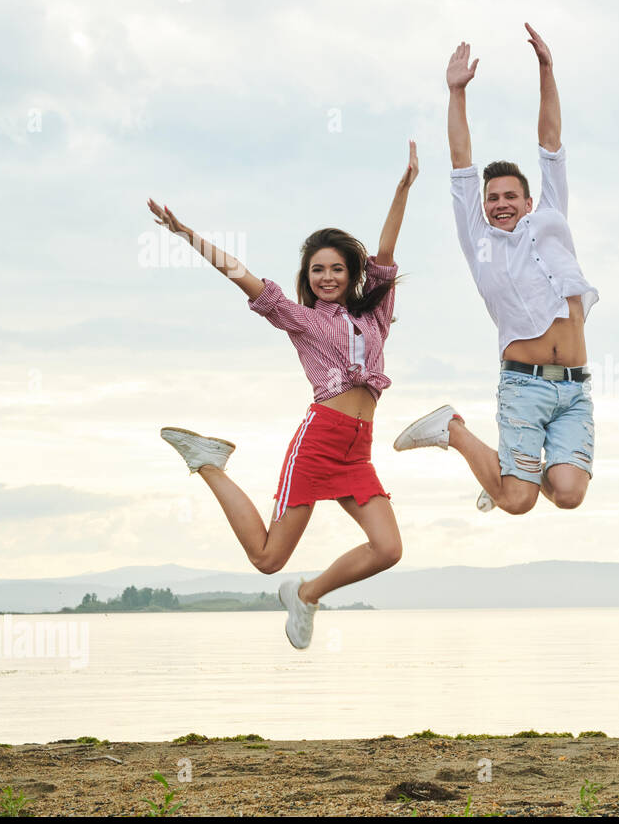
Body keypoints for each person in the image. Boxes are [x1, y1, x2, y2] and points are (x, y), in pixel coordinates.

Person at [148, 141, 417, 649]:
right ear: (307, 278)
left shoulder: (375, 314)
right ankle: (209, 463)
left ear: (350, 274)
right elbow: (245, 279)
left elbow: (385, 254)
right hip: (319, 443)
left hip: (358, 449)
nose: (327, 277)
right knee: (268, 558)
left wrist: (403, 189)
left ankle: (307, 594)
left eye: (336, 268)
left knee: (388, 548)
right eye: (318, 270)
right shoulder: (304, 320)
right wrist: (187, 236)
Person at [393, 24, 597, 517]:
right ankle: (455, 431)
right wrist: (456, 93)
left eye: (510, 196)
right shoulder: (479, 240)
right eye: (492, 198)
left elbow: (551, 140)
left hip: (574, 386)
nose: (501, 204)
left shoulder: (551, 217)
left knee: (568, 495)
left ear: (529, 200)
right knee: (519, 502)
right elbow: (461, 160)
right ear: (482, 206)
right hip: (524, 385)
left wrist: (547, 70)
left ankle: (503, 472)